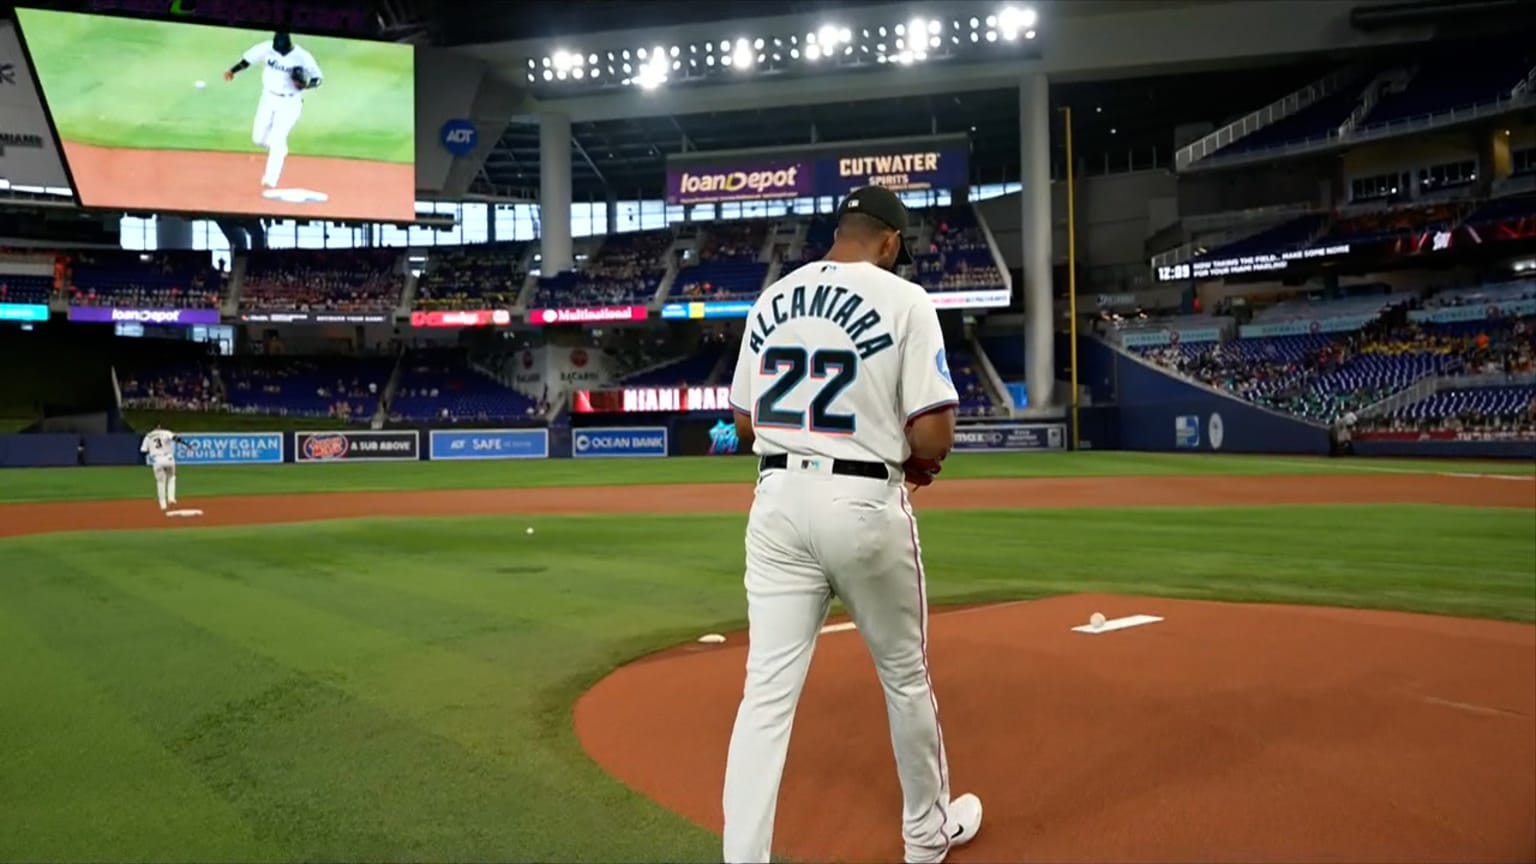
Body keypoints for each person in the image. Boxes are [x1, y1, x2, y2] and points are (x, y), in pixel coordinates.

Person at [721, 185, 980, 863]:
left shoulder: (773, 296)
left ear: (843, 230)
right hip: (862, 505)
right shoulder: (905, 299)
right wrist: (910, 455)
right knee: (904, 675)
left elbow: (746, 421)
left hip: (776, 501)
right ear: (889, 241)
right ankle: (925, 834)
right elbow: (933, 435)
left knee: (765, 697)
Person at [224, 31, 324, 190]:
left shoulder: (302, 56)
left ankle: (270, 179)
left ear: (289, 45)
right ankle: (280, 149)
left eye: (283, 50)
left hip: (290, 102)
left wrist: (306, 84)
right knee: (258, 138)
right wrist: (232, 71)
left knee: (278, 137)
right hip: (268, 98)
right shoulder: (267, 48)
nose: (280, 52)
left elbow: (318, 79)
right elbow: (247, 60)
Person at [139, 422, 182, 512]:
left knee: (160, 482)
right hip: (169, 459)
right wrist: (183, 442)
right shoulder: (165, 432)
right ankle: (171, 498)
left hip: (157, 460)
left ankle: (163, 504)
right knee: (172, 477)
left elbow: (143, 450)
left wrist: (152, 452)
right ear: (159, 427)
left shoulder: (148, 436)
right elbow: (175, 438)